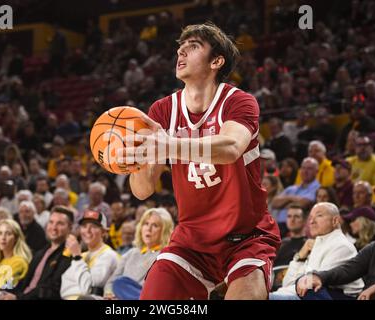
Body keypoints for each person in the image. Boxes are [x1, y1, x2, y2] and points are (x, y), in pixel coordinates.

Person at [117, 22, 281, 300]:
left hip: (246, 237)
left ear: (216, 61)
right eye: (180, 48)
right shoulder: (162, 110)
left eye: (192, 47)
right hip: (191, 241)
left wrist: (168, 144)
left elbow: (230, 147)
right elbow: (142, 190)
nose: (181, 53)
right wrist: (135, 160)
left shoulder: (239, 101)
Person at [269, 202, 364, 300]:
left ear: (335, 220)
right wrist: (300, 257)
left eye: (319, 215)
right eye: (310, 217)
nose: (312, 221)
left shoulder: (341, 246)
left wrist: (276, 295)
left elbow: (312, 285)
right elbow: (287, 283)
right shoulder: (316, 243)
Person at [0, 206, 73, 300]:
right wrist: (1, 292)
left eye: (60, 223)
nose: (54, 227)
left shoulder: (70, 255)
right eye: (51, 222)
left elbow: (50, 289)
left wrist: (18, 297)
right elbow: (23, 281)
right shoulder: (40, 253)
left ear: (70, 228)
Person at [104, 208, 174, 300]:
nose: (148, 229)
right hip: (120, 296)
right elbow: (111, 282)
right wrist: (110, 294)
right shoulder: (131, 253)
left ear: (164, 231)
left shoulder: (165, 256)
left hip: (148, 296)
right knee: (119, 283)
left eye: (155, 225)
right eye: (146, 224)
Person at [60, 210, 120, 300]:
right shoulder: (82, 256)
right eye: (84, 226)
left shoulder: (109, 256)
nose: (87, 231)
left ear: (104, 232)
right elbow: (64, 288)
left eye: (94, 227)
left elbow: (87, 289)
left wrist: (76, 257)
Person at [297, 240, 375, 300]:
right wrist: (318, 277)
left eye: (319, 215)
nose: (312, 221)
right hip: (362, 297)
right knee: (307, 283)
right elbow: (347, 270)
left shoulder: (343, 245)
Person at [272, 157, 320, 236]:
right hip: (278, 226)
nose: (305, 171)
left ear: (316, 171)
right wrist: (291, 198)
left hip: (296, 229)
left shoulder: (317, 188)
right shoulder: (291, 188)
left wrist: (284, 203)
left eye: (309, 169)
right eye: (303, 168)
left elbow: (302, 204)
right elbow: (274, 203)